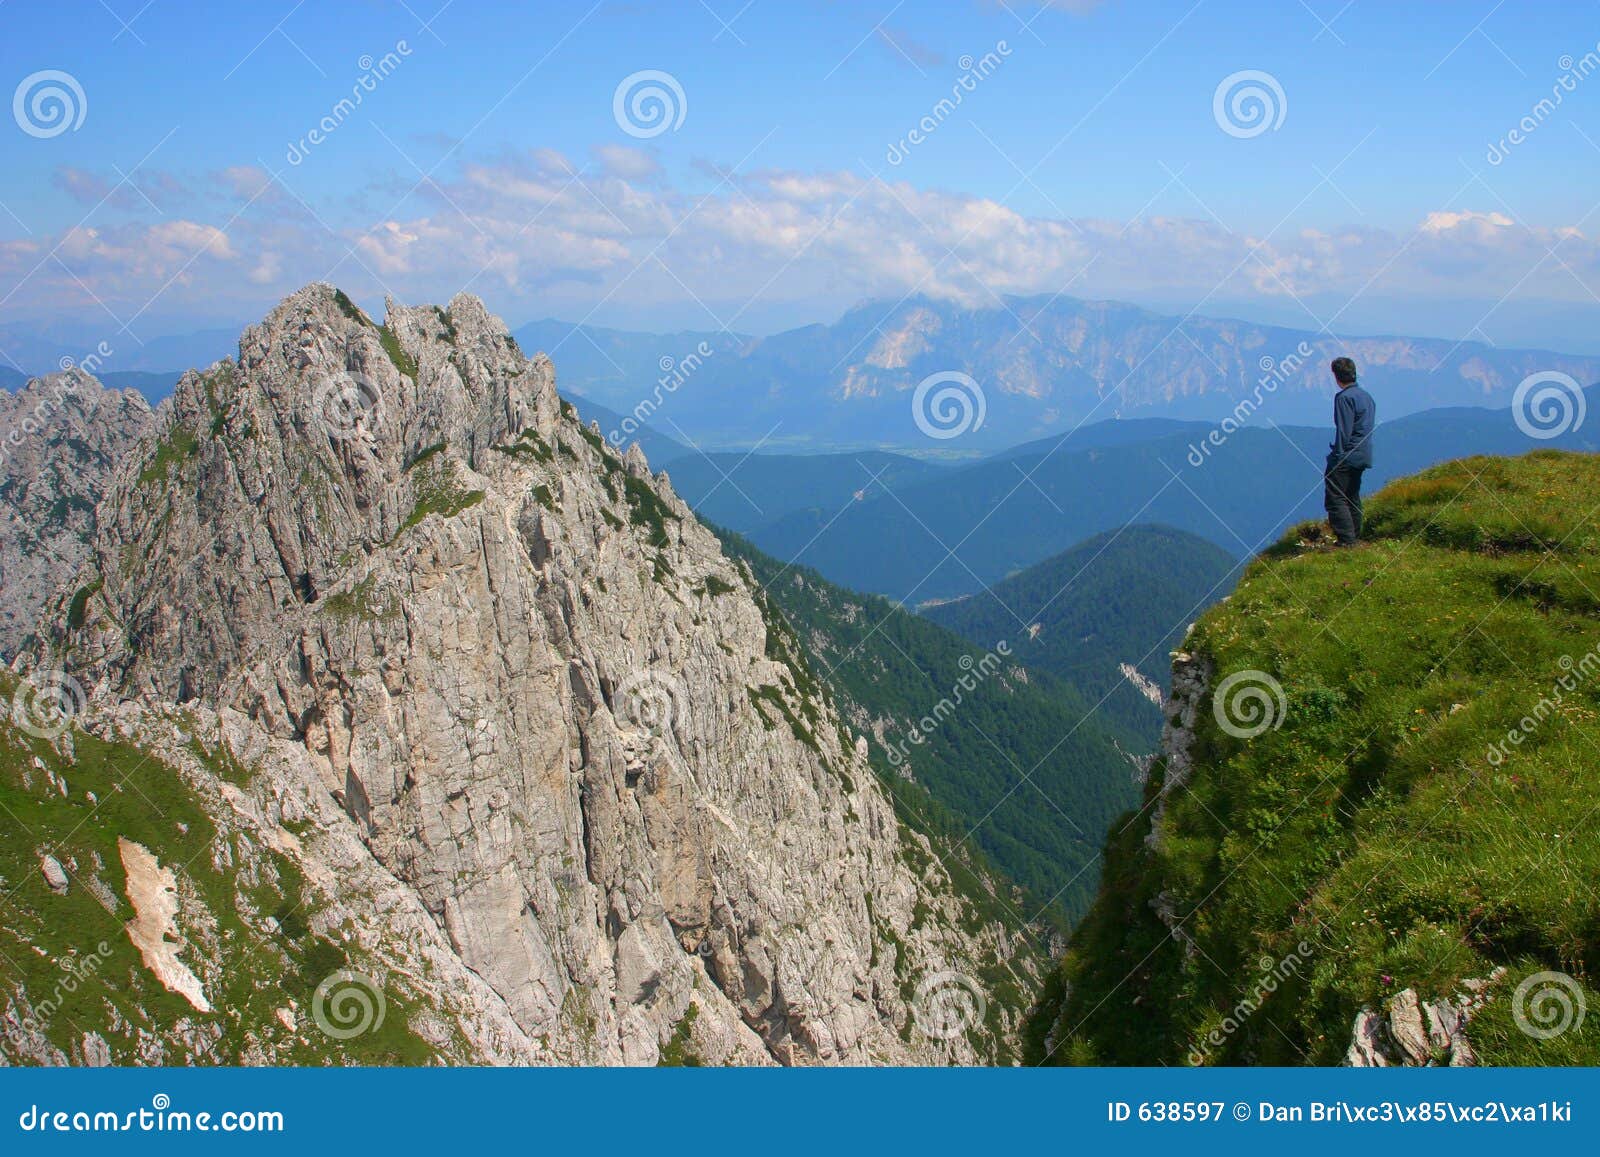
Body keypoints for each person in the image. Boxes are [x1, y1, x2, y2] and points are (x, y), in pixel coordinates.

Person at [1324, 356, 1375, 547]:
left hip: (1347, 455)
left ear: (1337, 377)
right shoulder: (1366, 396)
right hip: (1363, 454)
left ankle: (1347, 540)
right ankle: (1355, 536)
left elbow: (1343, 432)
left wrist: (1336, 457)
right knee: (1352, 495)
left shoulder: (1344, 398)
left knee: (1335, 496)